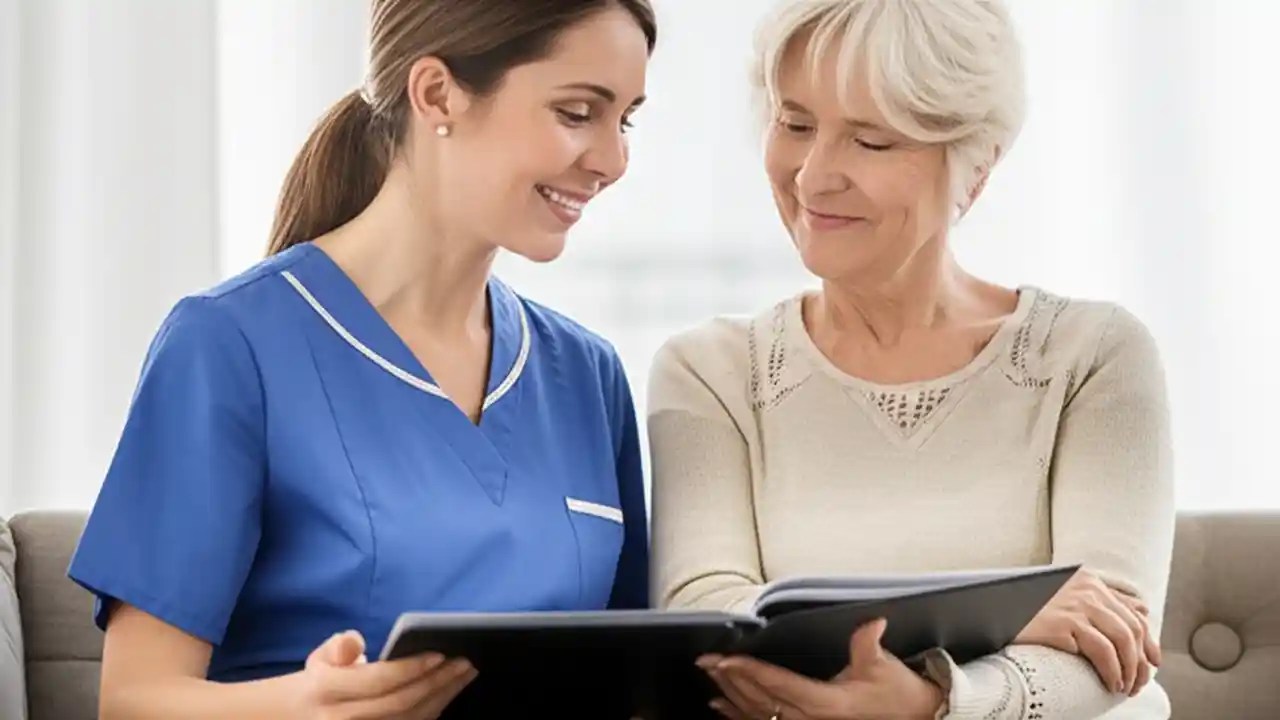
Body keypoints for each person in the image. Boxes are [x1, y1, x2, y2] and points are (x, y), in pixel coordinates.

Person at [65, 0, 656, 717]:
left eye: (623, 120)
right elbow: (132, 701)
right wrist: (303, 706)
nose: (614, 161)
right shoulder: (228, 347)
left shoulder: (587, 377)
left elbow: (640, 683)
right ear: (437, 93)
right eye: (576, 113)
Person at [647, 1, 1174, 718]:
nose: (812, 177)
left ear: (977, 166)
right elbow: (708, 621)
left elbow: (1110, 651)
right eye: (795, 124)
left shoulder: (1091, 356)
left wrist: (933, 702)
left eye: (871, 141)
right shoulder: (710, 372)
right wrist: (1006, 614)